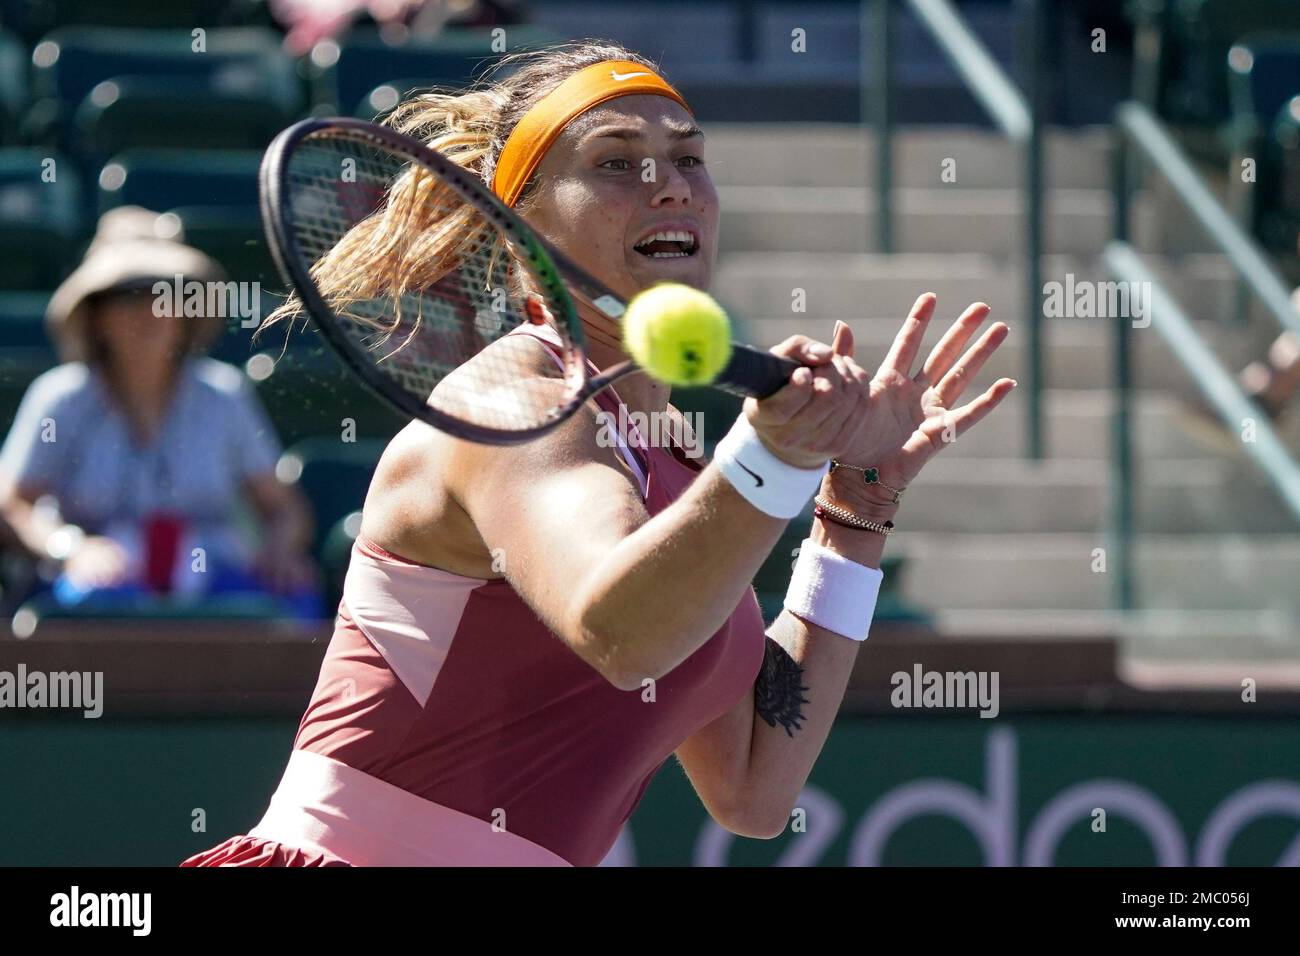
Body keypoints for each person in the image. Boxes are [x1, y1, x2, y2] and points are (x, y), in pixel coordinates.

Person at [182, 41, 1014, 867]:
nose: (670, 183)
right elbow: (619, 635)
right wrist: (771, 457)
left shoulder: (678, 464)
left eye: (689, 157)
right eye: (618, 163)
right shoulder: (515, 398)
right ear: (522, 232)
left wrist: (855, 509)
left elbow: (756, 787)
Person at [0, 207, 321, 617]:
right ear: (97, 316)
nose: (150, 310)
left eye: (166, 293)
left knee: (295, 602)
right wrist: (71, 548)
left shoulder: (224, 395)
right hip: (93, 594)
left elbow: (286, 509)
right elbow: (11, 505)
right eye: (129, 295)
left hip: (212, 583)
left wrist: (280, 550)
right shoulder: (60, 397)